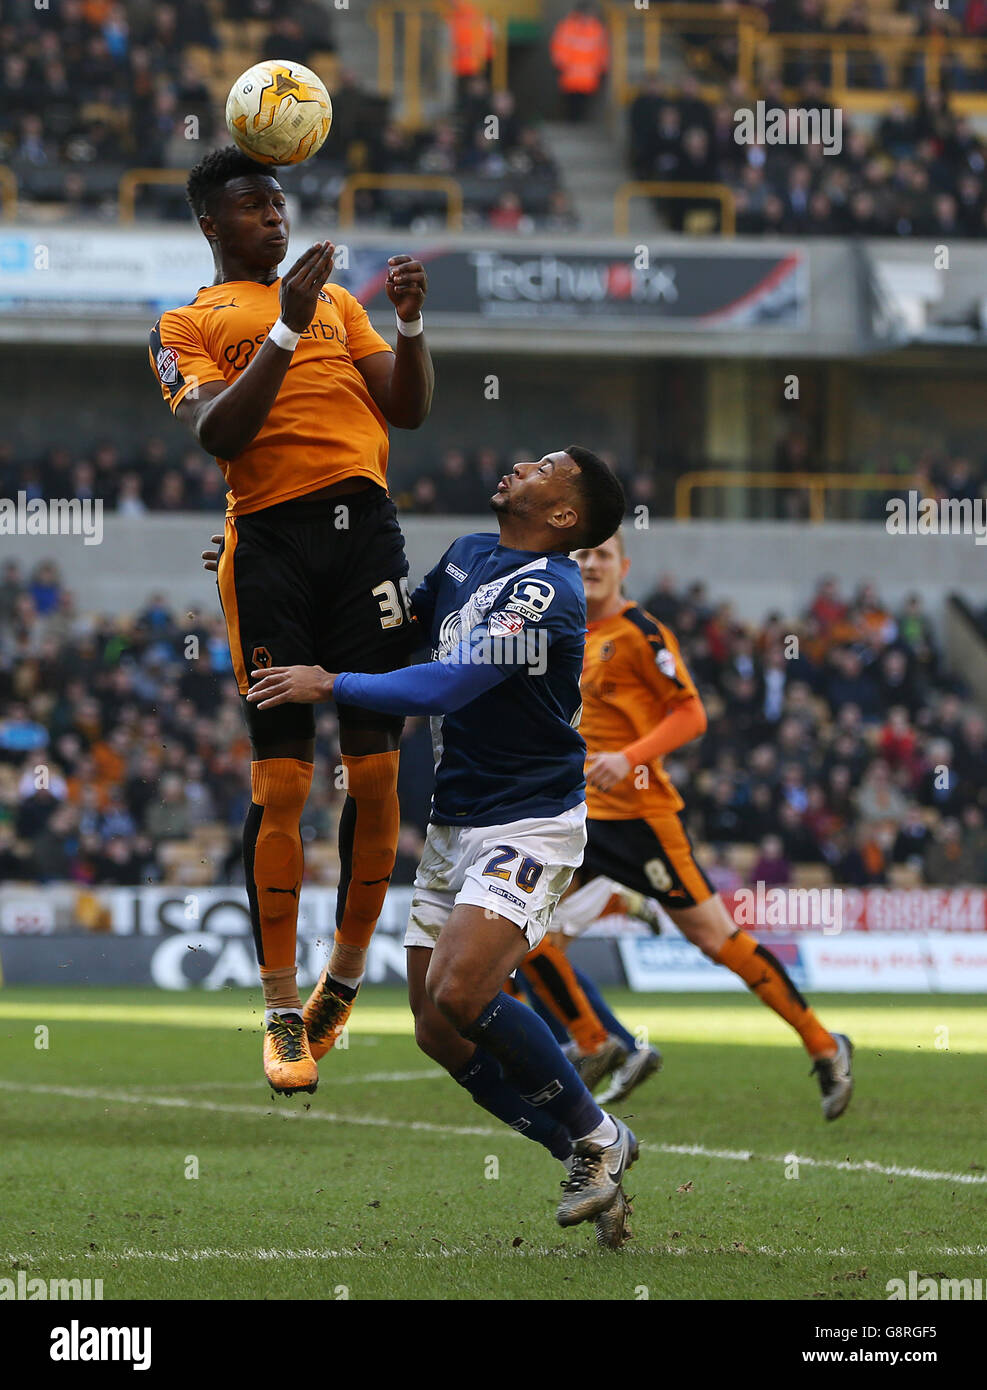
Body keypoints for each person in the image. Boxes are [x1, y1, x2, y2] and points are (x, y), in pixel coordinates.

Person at [240, 448, 640, 1245]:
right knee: (437, 1028)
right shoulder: (467, 554)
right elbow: (389, 633)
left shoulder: (544, 591)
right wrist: (262, 581)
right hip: (457, 820)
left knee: (462, 994)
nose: (522, 462)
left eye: (546, 466)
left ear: (564, 516)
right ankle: (582, 1158)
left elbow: (451, 682)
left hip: (527, 819)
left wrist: (332, 685)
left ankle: (602, 1137)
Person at [150, 145, 434, 1096]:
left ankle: (341, 985)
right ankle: (278, 1007)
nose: (274, 218)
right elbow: (218, 435)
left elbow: (408, 408)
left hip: (366, 543)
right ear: (210, 224)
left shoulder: (341, 304)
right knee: (281, 782)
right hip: (267, 547)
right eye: (251, 205)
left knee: (380, 772)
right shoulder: (185, 323)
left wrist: (412, 324)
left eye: (279, 203)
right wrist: (284, 333)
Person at [534, 532, 854, 1119]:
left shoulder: (641, 632)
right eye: (580, 556)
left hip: (640, 818)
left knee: (714, 939)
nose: (591, 564)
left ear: (623, 566)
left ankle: (823, 1043)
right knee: (523, 932)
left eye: (602, 555)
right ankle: (593, 1042)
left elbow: (692, 714)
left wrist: (627, 758)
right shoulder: (563, 635)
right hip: (576, 818)